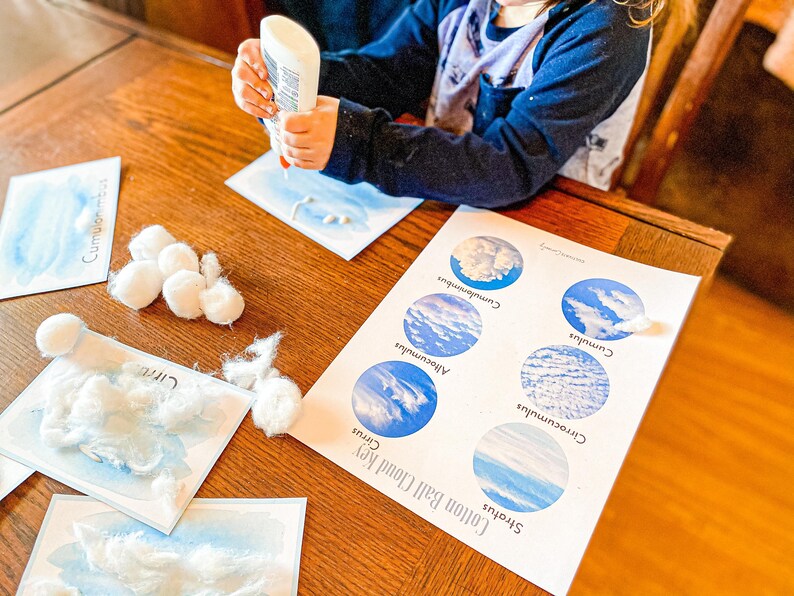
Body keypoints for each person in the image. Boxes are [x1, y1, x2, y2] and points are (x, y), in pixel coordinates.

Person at [231, 0, 687, 207]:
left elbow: (510, 166)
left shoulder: (606, 29)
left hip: (553, 212)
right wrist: (294, 78)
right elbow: (390, 69)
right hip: (445, 180)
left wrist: (359, 143)